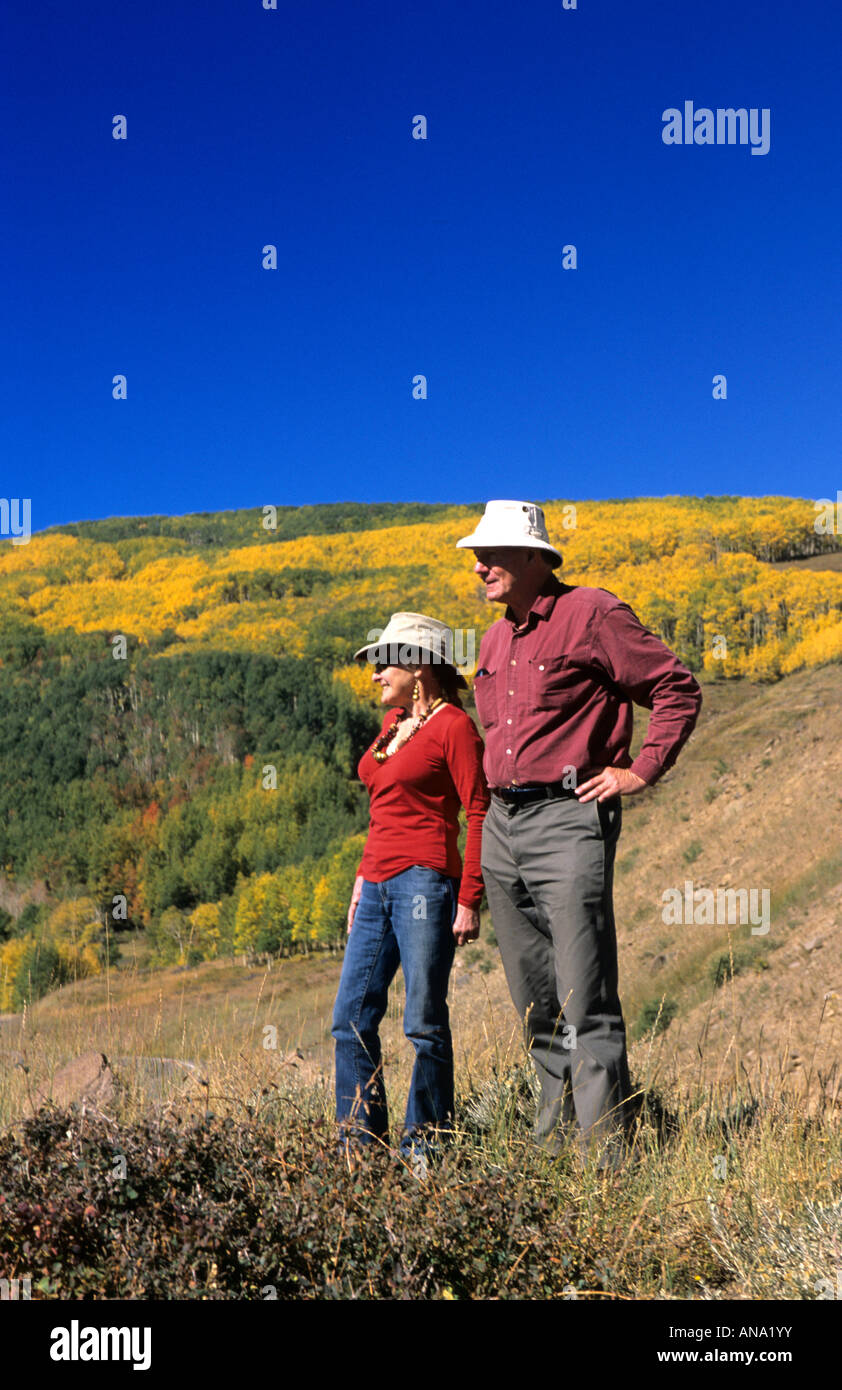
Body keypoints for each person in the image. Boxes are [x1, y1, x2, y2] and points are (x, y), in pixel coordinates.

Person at [456, 500, 703, 1169]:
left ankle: (605, 1172)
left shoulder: (591, 613)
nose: (480, 567)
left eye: (494, 554)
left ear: (536, 556)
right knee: (536, 1002)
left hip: (568, 819)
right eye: (476, 556)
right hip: (505, 826)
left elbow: (676, 687)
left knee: (584, 996)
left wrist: (642, 772)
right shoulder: (493, 641)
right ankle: (552, 1155)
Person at [331, 612, 490, 1164]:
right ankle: (360, 1147)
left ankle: (425, 1150)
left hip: (426, 881)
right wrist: (361, 877)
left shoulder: (454, 727)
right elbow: (383, 809)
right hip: (375, 884)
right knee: (350, 1017)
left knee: (423, 1021)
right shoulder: (393, 726)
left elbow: (478, 810)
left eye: (383, 663)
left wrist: (470, 897)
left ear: (418, 667)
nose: (375, 674)